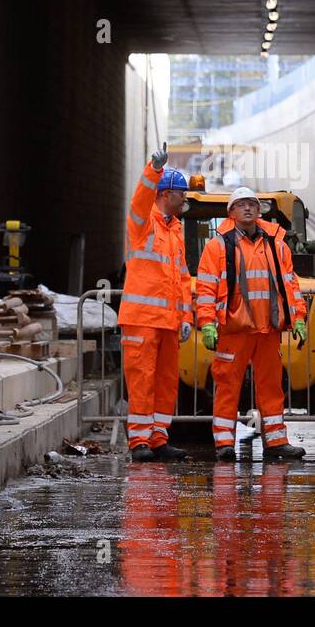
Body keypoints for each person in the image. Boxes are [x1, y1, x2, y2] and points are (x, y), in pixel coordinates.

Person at [195, 186, 309, 461]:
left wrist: (299, 318)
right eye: (241, 204)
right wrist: (207, 323)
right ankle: (224, 443)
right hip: (233, 329)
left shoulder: (276, 244)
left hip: (267, 329)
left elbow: (290, 285)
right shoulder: (217, 246)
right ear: (231, 212)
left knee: (271, 386)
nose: (247, 208)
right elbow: (206, 288)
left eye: (252, 204)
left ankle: (276, 442)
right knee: (226, 385)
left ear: (259, 211)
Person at [121, 142, 194, 462]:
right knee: (142, 380)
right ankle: (139, 440)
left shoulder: (175, 230)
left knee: (165, 383)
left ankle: (158, 438)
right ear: (167, 194)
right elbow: (139, 199)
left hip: (167, 323)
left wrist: (186, 317)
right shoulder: (143, 222)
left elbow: (181, 278)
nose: (186, 198)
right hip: (141, 319)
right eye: (183, 193)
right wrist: (154, 169)